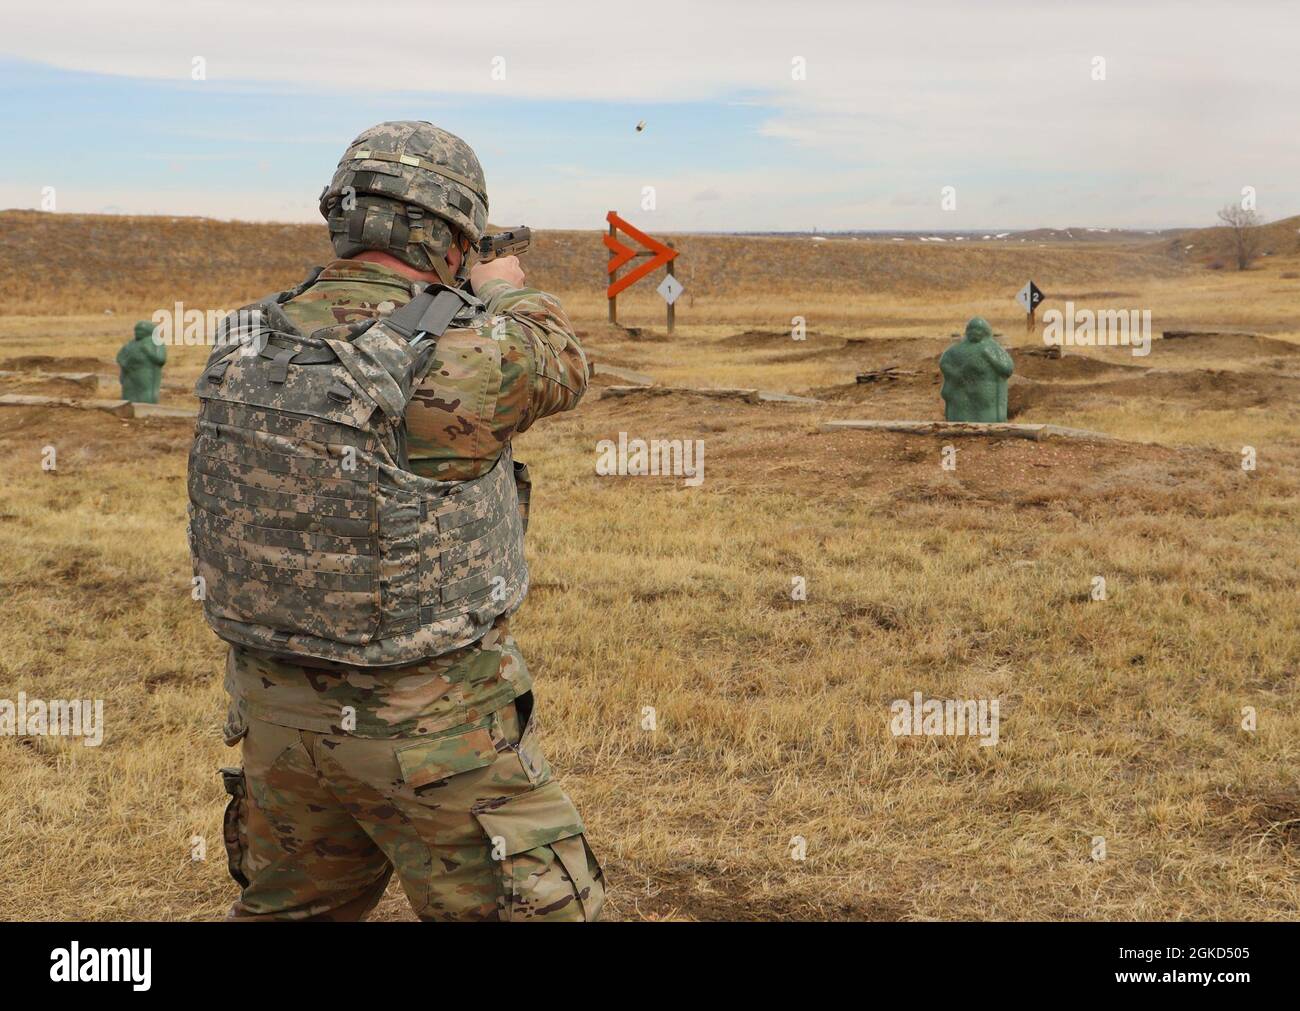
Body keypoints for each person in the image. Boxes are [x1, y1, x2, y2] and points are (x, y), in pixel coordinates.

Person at [191, 120, 603, 921]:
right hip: (433, 736)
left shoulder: (244, 340)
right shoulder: (473, 349)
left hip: (277, 721)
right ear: (448, 233)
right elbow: (564, 358)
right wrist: (502, 283)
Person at [939, 316, 1014, 422]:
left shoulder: (994, 349)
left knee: (987, 419)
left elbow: (1007, 369)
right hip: (962, 396)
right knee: (961, 417)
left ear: (985, 332)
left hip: (986, 399)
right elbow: (944, 363)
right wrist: (954, 374)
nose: (974, 332)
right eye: (971, 329)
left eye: (978, 329)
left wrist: (990, 357)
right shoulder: (957, 349)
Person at [117, 320, 166, 402]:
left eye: (141, 330)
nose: (137, 333)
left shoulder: (156, 343)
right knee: (129, 392)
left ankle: (146, 407)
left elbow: (161, 359)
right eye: (136, 330)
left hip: (145, 373)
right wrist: (124, 364)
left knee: (145, 393)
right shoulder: (131, 343)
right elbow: (120, 356)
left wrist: (148, 352)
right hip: (129, 372)